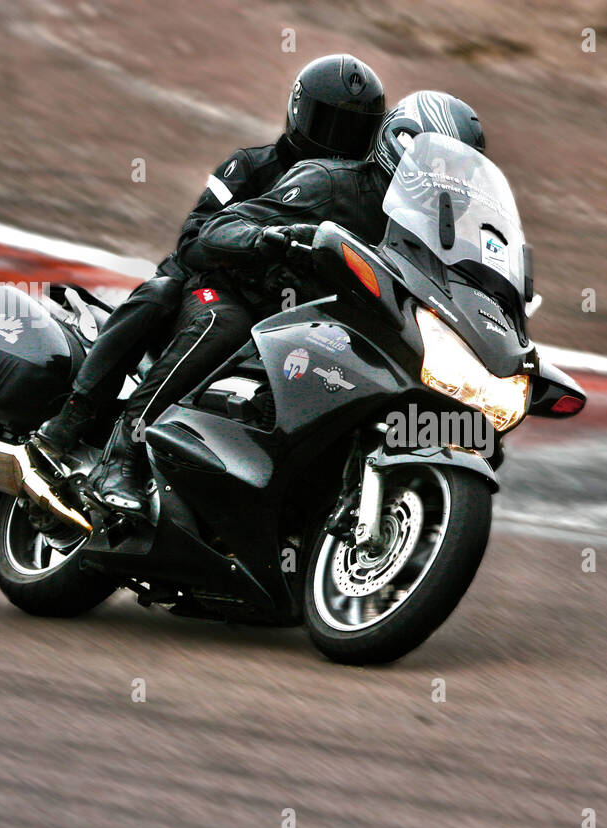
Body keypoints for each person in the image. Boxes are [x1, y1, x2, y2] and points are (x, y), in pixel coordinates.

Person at [91, 91, 488, 514]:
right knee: (223, 325)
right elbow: (218, 228)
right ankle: (122, 457)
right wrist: (265, 239)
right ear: (401, 145)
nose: (446, 182)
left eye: (460, 173)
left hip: (328, 326)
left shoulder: (441, 237)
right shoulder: (331, 181)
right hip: (240, 294)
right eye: (440, 168)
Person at [36, 54, 387, 454]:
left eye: (353, 130)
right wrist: (262, 244)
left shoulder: (358, 197)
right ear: (299, 110)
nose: (337, 139)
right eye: (329, 123)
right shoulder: (250, 166)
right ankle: (89, 424)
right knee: (166, 293)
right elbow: (193, 244)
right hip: (210, 296)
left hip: (285, 322)